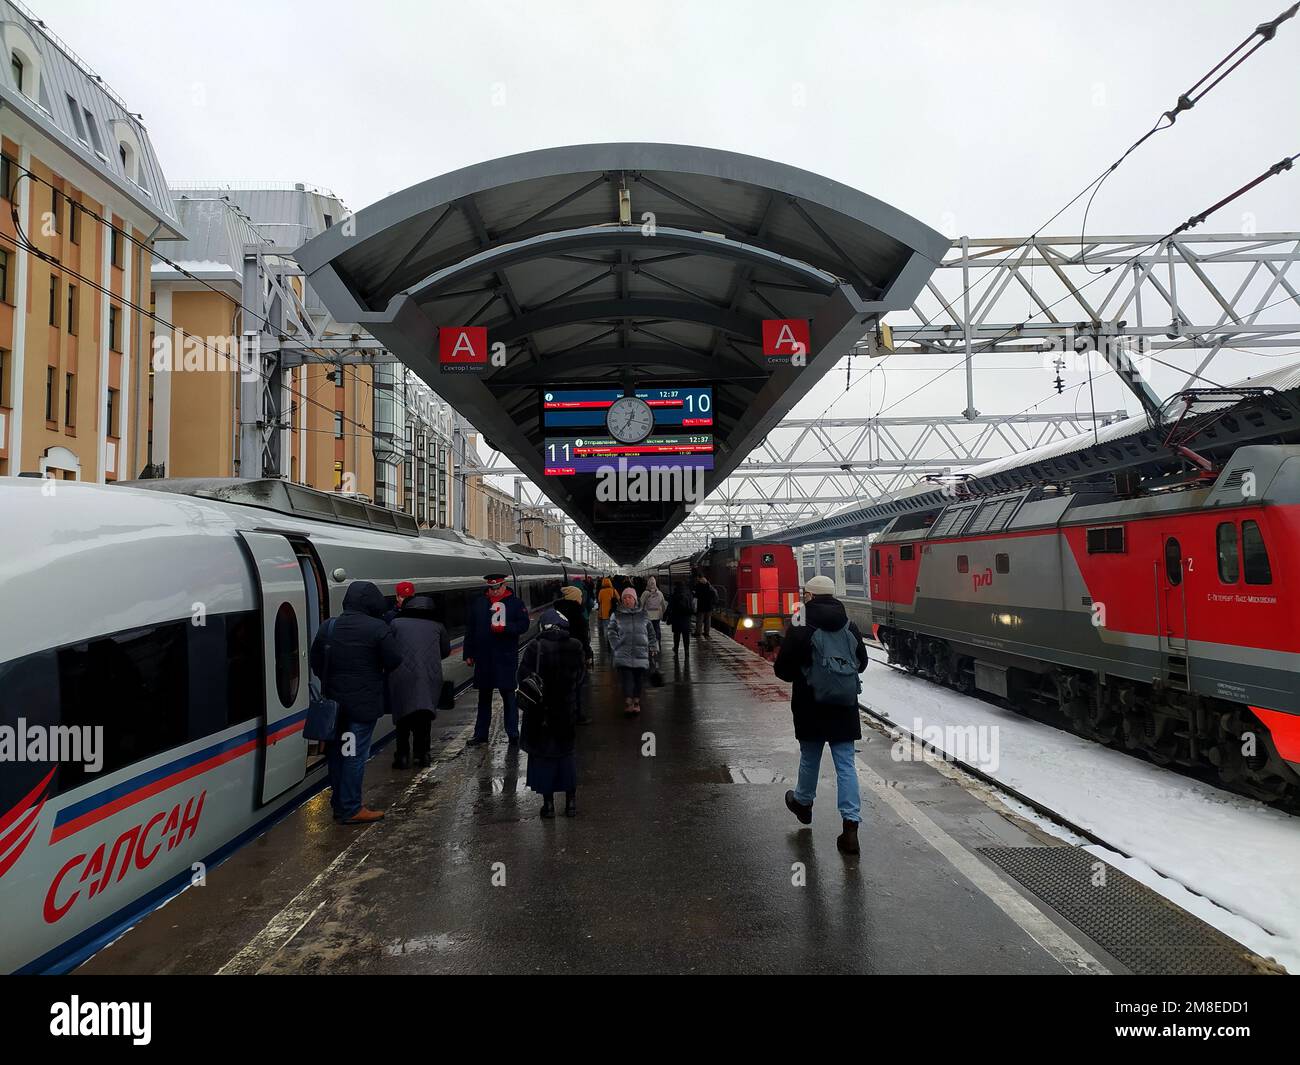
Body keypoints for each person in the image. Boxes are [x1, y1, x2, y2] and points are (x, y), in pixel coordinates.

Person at [773, 574, 869, 855]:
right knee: (846, 765)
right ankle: (850, 827)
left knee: (810, 756)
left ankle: (803, 803)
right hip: (843, 705)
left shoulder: (801, 623)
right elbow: (861, 664)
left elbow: (783, 670)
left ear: (810, 596)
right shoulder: (848, 624)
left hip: (810, 703)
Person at [310, 580, 402, 824]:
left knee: (337, 755)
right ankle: (351, 808)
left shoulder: (329, 626)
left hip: (334, 706)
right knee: (354, 755)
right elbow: (394, 660)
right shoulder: (378, 628)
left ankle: (339, 802)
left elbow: (316, 663)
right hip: (362, 706)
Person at [519, 608, 586, 818]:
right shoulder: (576, 646)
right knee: (566, 756)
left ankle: (548, 806)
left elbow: (522, 679)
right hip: (565, 711)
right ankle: (571, 804)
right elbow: (580, 678)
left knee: (543, 758)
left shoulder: (534, 647)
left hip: (540, 714)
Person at [464, 573, 530, 746]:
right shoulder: (479, 604)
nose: (494, 591)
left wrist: (506, 628)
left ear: (504, 585)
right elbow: (470, 629)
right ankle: (481, 734)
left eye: (497, 587)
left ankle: (513, 733)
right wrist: (468, 653)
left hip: (505, 658)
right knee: (483, 698)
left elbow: (524, 625)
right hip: (484, 658)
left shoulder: (515, 603)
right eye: (491, 588)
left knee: (509, 696)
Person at [387, 592, 451, 769]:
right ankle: (421, 755)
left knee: (402, 718)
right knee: (423, 717)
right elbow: (445, 650)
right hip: (429, 677)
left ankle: (402, 756)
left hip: (401, 677)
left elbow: (389, 649)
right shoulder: (437, 625)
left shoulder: (395, 623)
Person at [606, 586, 657, 716]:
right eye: (625, 598)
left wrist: (653, 647)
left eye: (630, 597)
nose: (627, 600)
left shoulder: (643, 614)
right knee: (627, 679)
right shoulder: (616, 615)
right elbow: (611, 632)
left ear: (635, 599)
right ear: (622, 601)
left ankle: (636, 702)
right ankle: (628, 702)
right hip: (624, 654)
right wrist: (617, 646)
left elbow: (651, 633)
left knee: (639, 680)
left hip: (641, 653)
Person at [554, 585, 593, 724]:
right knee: (577, 686)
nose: (581, 599)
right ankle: (577, 715)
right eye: (580, 597)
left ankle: (561, 715)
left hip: (557, 655)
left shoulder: (555, 613)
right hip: (575, 655)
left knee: (560, 687)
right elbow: (583, 637)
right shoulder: (577, 614)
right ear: (576, 598)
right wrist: (588, 654)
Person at [666, 580, 693, 658]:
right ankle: (687, 651)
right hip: (686, 619)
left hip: (676, 619)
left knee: (676, 635)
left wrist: (666, 616)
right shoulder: (689, 594)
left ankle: (676, 649)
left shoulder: (674, 594)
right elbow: (692, 606)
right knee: (686, 636)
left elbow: (670, 607)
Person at [640, 576, 666, 646]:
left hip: (647, 615)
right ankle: (658, 642)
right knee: (657, 628)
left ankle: (650, 643)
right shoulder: (660, 593)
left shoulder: (645, 593)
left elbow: (641, 604)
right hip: (657, 615)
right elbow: (663, 604)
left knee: (648, 630)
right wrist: (663, 613)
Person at [693, 573, 716, 639]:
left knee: (700, 620)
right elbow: (712, 594)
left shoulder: (699, 585)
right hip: (709, 605)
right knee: (708, 620)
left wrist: (694, 593)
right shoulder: (708, 584)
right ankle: (707, 633)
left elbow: (697, 595)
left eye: (697, 578)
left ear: (699, 577)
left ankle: (698, 632)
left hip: (701, 605)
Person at [597, 577, 617, 647]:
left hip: (604, 613)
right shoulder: (613, 590)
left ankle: (608, 641)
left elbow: (599, 600)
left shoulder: (601, 591)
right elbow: (618, 598)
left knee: (606, 628)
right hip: (613, 612)